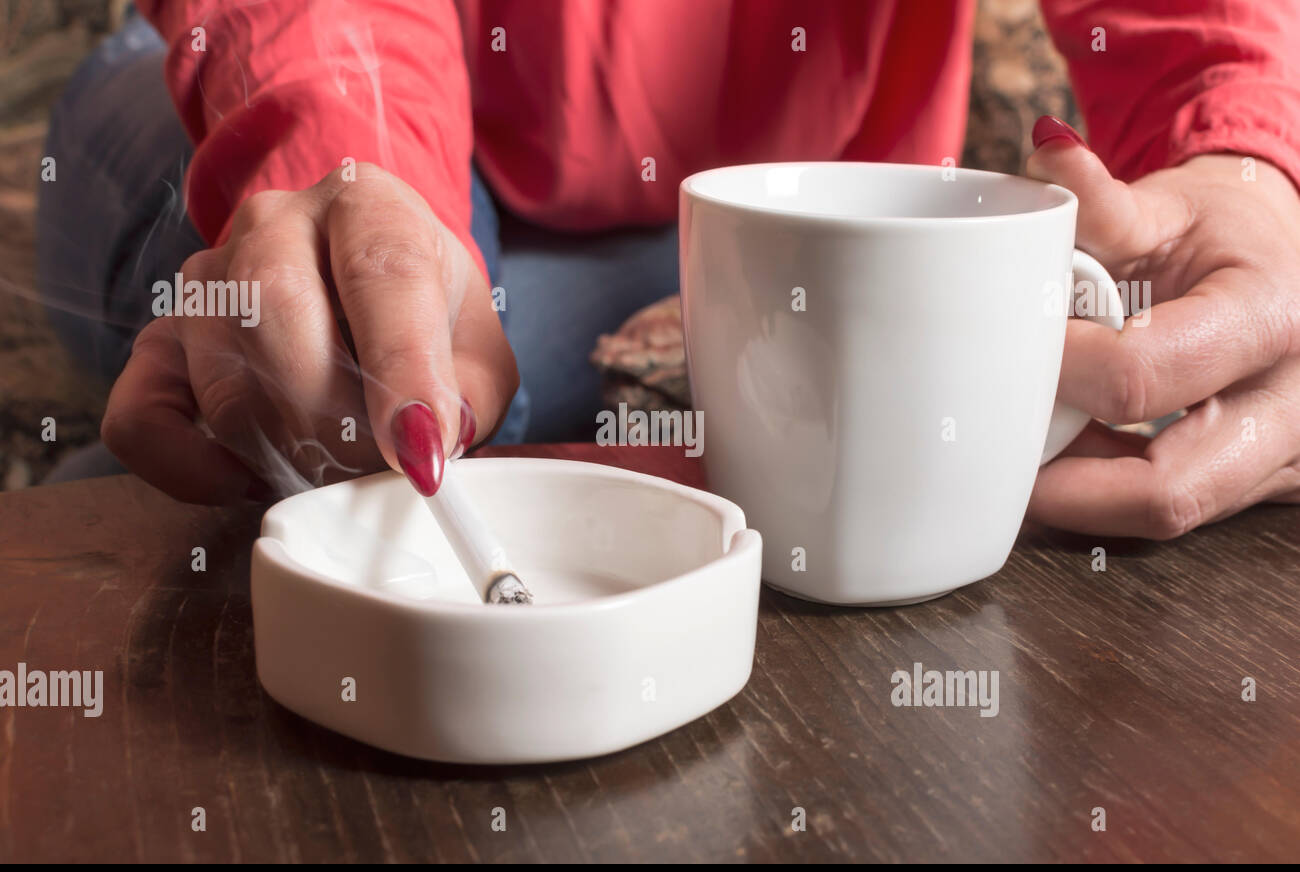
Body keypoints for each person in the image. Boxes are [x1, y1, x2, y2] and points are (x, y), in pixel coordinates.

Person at [37, 0, 1300, 538]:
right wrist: (350, 170)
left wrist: (1247, 160)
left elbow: (1213, 47)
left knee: (467, 392)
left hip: (724, 199)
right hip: (308, 96)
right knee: (337, 320)